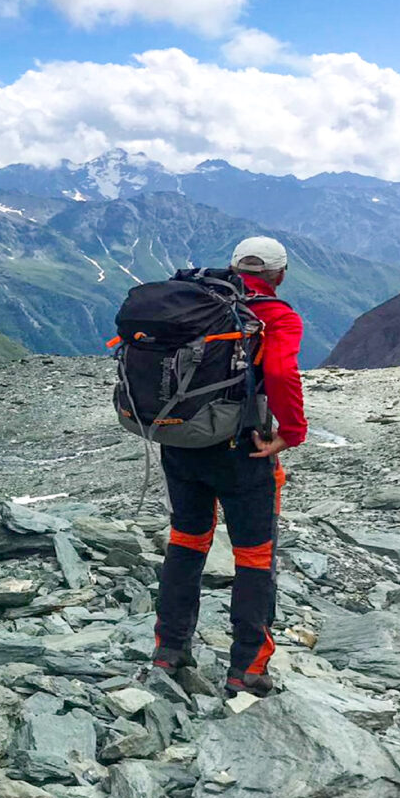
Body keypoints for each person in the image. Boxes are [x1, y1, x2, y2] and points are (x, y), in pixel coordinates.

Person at [150, 236, 307, 697]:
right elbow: (280, 374)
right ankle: (247, 670)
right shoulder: (275, 315)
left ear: (235, 266)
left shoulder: (194, 303)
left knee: (186, 541)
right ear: (279, 275)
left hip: (180, 440)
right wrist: (292, 433)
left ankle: (169, 649)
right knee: (254, 556)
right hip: (244, 447)